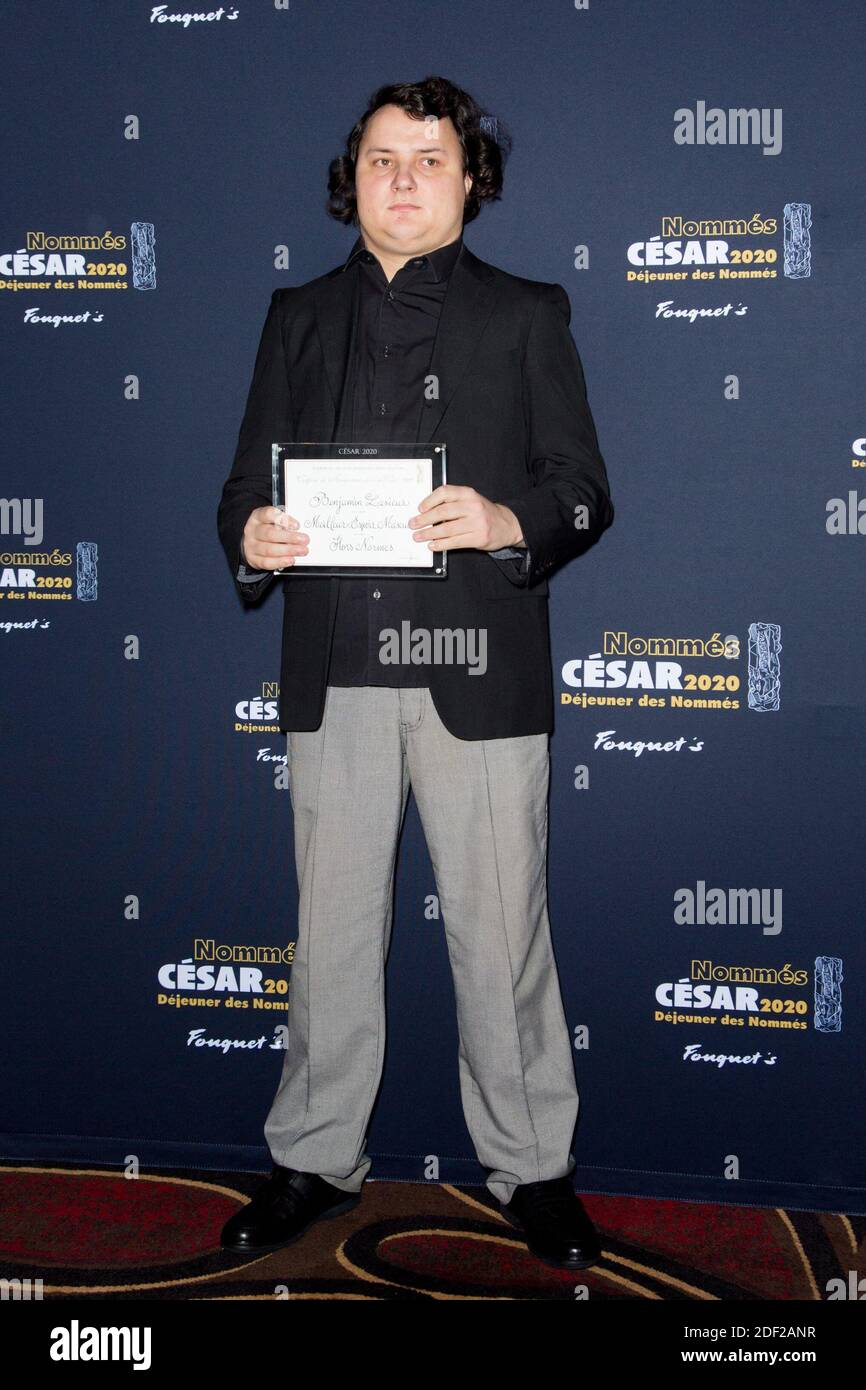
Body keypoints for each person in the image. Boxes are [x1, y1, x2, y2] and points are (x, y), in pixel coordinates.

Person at [217, 75, 614, 1270]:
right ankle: (312, 1159)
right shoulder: (294, 315)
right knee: (328, 934)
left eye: (428, 158)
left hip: (476, 670)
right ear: (354, 181)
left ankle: (532, 1169)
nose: (403, 177)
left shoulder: (527, 314)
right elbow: (244, 485)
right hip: (334, 671)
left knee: (500, 937)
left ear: (466, 181)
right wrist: (251, 537)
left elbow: (582, 490)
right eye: (383, 158)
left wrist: (502, 516)